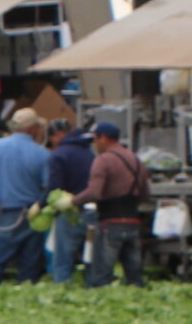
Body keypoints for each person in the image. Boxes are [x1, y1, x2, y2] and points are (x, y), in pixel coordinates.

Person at [0, 108, 54, 287]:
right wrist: (39, 204)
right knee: (29, 266)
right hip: (32, 215)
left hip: (6, 214)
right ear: (34, 128)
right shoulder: (42, 154)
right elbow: (49, 186)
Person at [77, 121, 151, 287]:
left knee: (101, 277)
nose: (94, 145)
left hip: (110, 223)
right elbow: (145, 194)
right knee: (135, 279)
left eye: (95, 140)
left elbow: (94, 192)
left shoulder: (103, 160)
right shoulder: (136, 160)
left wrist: (72, 201)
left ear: (103, 138)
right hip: (133, 222)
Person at [45, 121, 94, 283]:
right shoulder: (90, 153)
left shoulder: (59, 155)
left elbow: (54, 189)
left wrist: (41, 204)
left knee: (63, 261)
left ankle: (63, 292)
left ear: (58, 134)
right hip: (92, 213)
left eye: (51, 138)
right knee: (91, 259)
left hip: (69, 214)